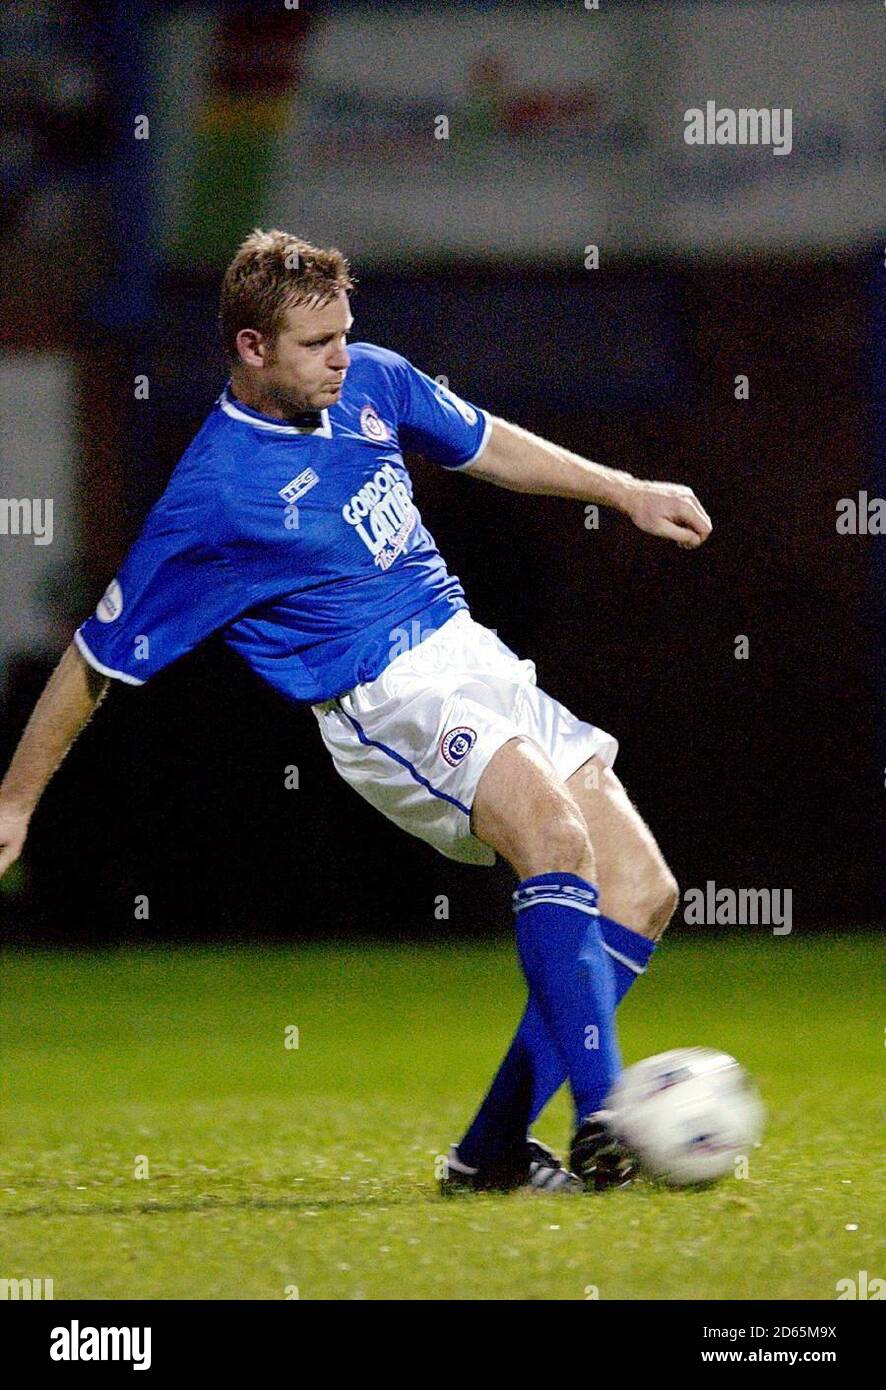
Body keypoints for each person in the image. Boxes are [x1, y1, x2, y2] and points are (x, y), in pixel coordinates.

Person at [0, 229, 712, 1193]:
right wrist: (14, 801)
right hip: (386, 697)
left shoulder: (369, 380)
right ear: (251, 348)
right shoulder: (213, 499)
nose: (339, 356)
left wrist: (623, 490)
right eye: (314, 344)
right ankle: (607, 1117)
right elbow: (95, 661)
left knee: (642, 892)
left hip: (472, 654)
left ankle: (489, 1154)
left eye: (344, 333)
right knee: (555, 839)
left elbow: (484, 442)